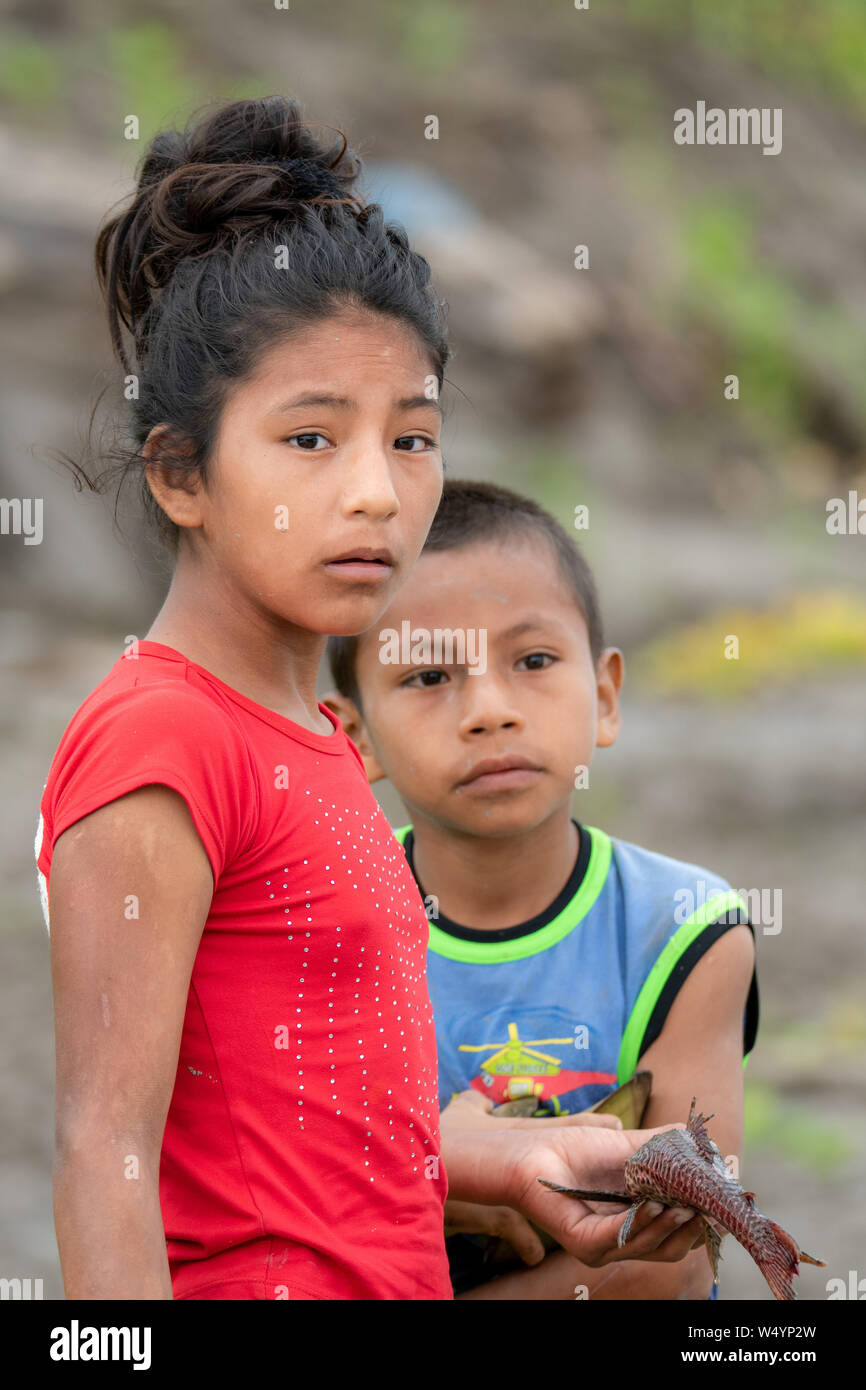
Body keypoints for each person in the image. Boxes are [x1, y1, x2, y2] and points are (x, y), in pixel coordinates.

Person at [36, 97, 702, 1301]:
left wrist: (511, 1160)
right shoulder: (162, 741)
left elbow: (313, 1135)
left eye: (410, 437)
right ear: (181, 473)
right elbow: (105, 1150)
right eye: (309, 439)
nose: (377, 494)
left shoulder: (323, 735)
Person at [324, 478, 760, 1299]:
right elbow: (299, 1211)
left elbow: (672, 1255)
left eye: (531, 661)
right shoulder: (316, 934)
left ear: (603, 697)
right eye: (427, 677)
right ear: (354, 736)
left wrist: (436, 1186)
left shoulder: (684, 929)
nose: (489, 710)